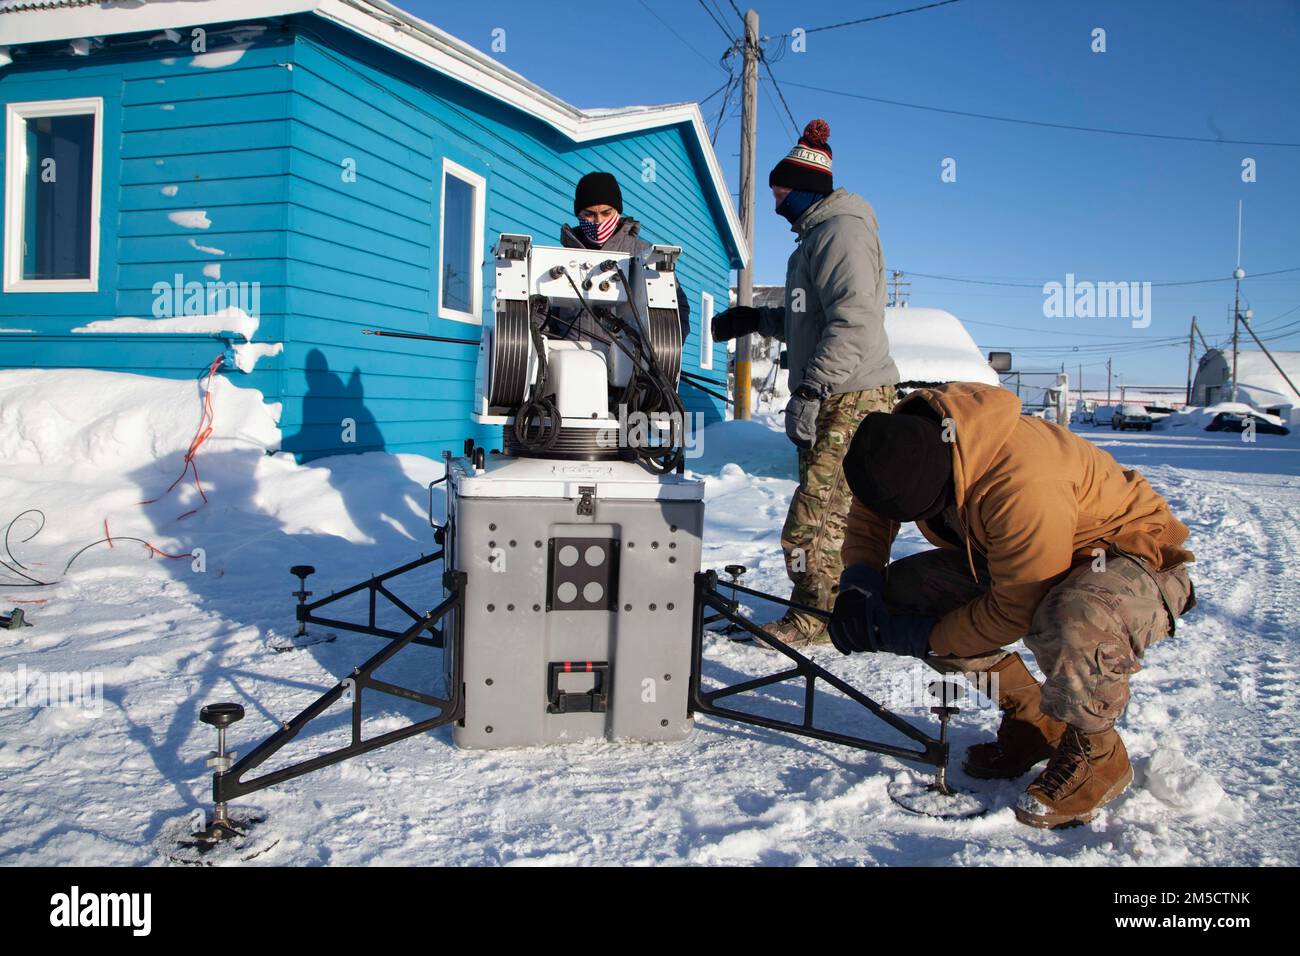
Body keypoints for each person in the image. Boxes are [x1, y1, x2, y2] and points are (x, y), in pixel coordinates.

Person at [829, 381, 1196, 828]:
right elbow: (874, 507)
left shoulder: (1022, 479)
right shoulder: (911, 439)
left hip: (1128, 562)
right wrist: (860, 582)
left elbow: (1014, 610)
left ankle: (1099, 754)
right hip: (1030, 552)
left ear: (945, 483)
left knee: (1073, 618)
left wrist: (925, 638)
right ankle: (1034, 722)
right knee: (904, 596)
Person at [710, 119, 899, 647]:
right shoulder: (812, 238)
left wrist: (813, 389)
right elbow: (805, 317)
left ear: (804, 187)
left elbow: (854, 319)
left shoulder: (842, 233)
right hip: (832, 390)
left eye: (780, 190)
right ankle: (828, 607)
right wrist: (753, 320)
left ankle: (813, 621)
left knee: (811, 523)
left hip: (850, 393)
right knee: (828, 514)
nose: (774, 202)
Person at [553, 171, 690, 344]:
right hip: (569, 359)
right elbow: (541, 314)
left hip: (630, 362)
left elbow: (677, 305)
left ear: (617, 211)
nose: (597, 221)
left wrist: (666, 348)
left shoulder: (644, 255)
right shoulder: (560, 258)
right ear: (578, 213)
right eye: (589, 214)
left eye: (606, 213)